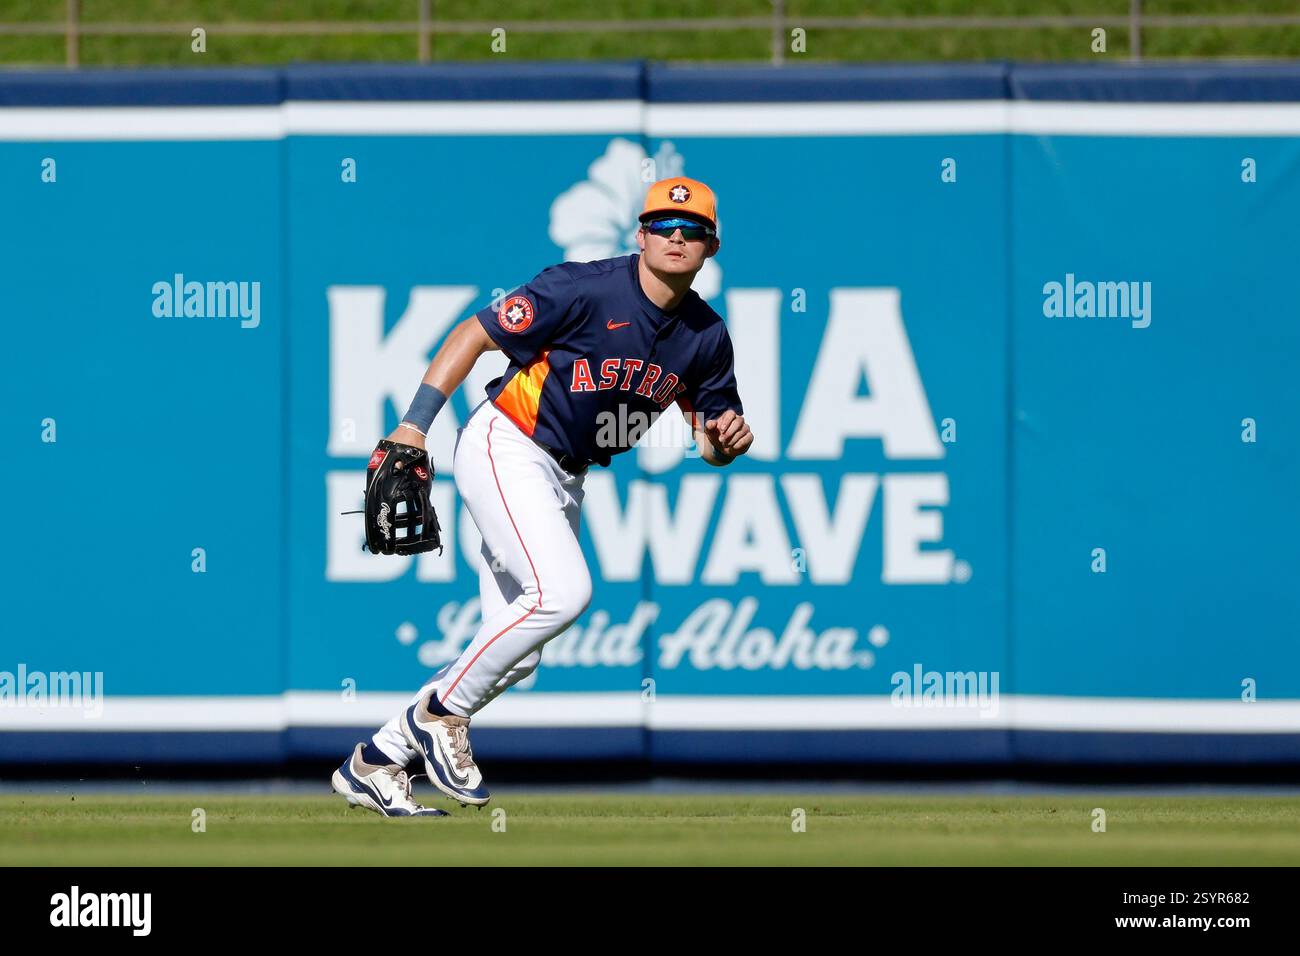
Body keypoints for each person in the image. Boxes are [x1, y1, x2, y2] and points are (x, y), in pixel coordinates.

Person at [331, 177, 753, 816]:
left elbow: (712, 440)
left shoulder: (705, 337)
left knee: (516, 652)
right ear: (639, 235)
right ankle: (440, 717)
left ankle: (378, 759)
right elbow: (474, 335)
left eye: (690, 229)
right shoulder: (583, 288)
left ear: (710, 247)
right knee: (563, 594)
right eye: (662, 224)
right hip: (507, 443)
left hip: (566, 475)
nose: (675, 236)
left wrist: (726, 442)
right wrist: (414, 424)